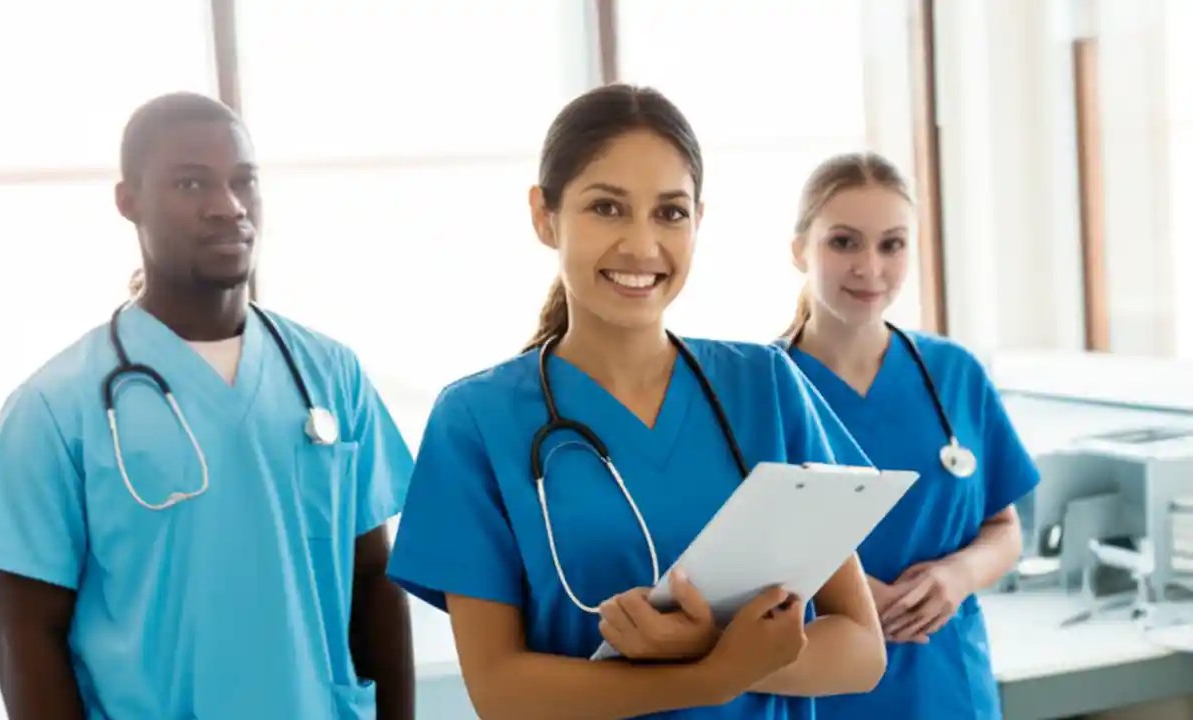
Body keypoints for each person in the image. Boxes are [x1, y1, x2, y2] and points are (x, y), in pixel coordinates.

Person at [384, 83, 887, 720]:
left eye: (670, 213)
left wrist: (709, 647)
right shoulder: (477, 422)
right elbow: (501, 691)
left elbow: (862, 651)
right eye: (607, 208)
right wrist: (711, 676)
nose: (643, 246)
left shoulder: (766, 386)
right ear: (545, 216)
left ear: (699, 220)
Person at [0, 92, 416, 720]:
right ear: (129, 201)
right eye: (191, 183)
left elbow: (372, 583)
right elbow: (26, 635)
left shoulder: (330, 375)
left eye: (243, 181)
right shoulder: (55, 408)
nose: (228, 207)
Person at [778, 152, 1039, 719]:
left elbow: (1005, 528)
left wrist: (958, 575)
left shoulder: (954, 373)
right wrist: (835, 590)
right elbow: (725, 558)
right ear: (800, 249)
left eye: (891, 245)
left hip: (948, 690)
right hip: (820, 693)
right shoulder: (757, 387)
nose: (870, 268)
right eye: (843, 242)